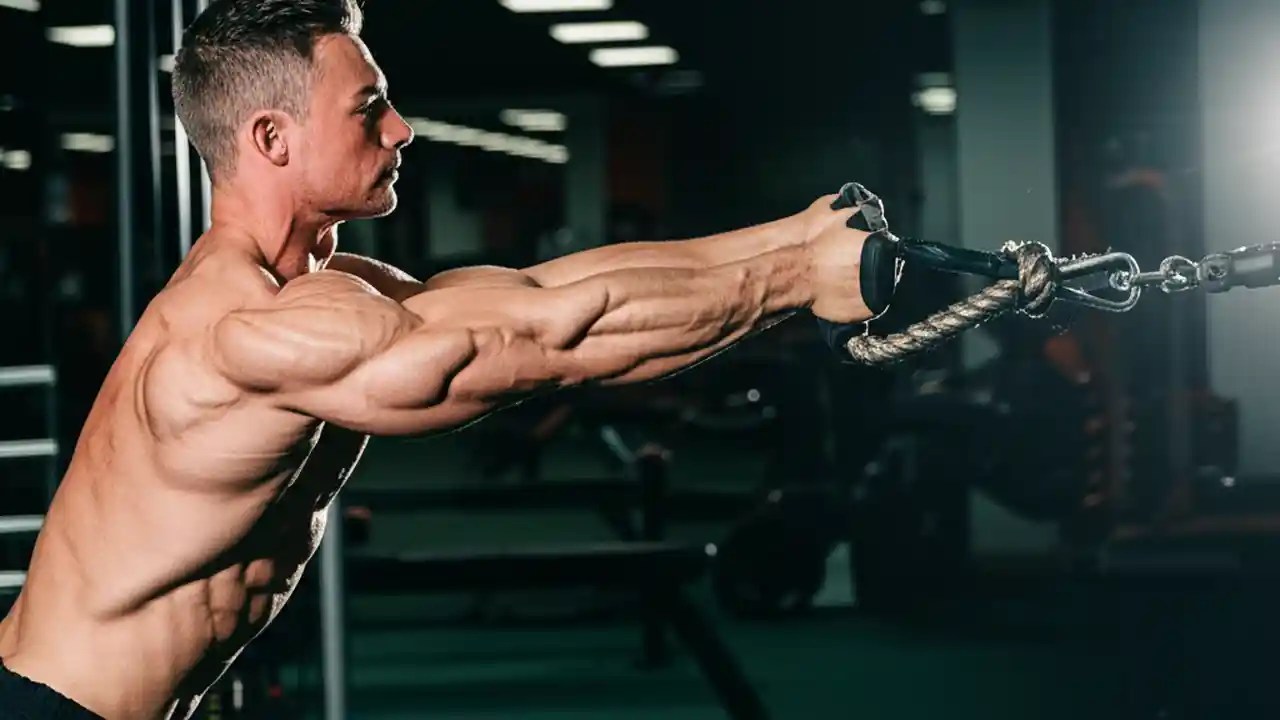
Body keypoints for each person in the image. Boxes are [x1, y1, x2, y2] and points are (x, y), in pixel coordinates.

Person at [0, 0, 879, 717]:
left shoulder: (328, 284)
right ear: (272, 139)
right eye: (367, 109)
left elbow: (539, 292)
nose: (401, 128)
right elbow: (552, 344)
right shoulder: (248, 330)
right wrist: (799, 278)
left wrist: (800, 235)